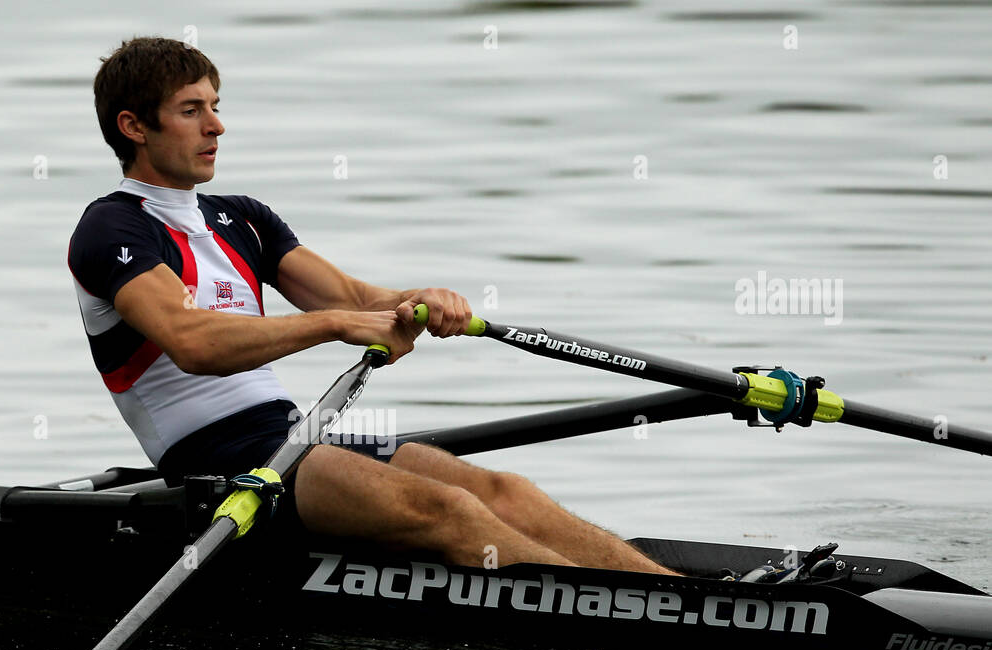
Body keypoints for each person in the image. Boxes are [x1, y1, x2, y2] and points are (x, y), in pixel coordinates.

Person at [68, 37, 675, 575]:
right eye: (191, 111)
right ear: (134, 127)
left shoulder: (242, 219)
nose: (216, 127)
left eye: (216, 107)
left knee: (505, 492)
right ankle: (643, 638)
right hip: (219, 468)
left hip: (293, 434)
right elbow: (193, 343)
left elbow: (357, 300)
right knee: (449, 510)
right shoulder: (111, 229)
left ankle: (678, 597)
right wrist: (331, 326)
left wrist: (422, 300)